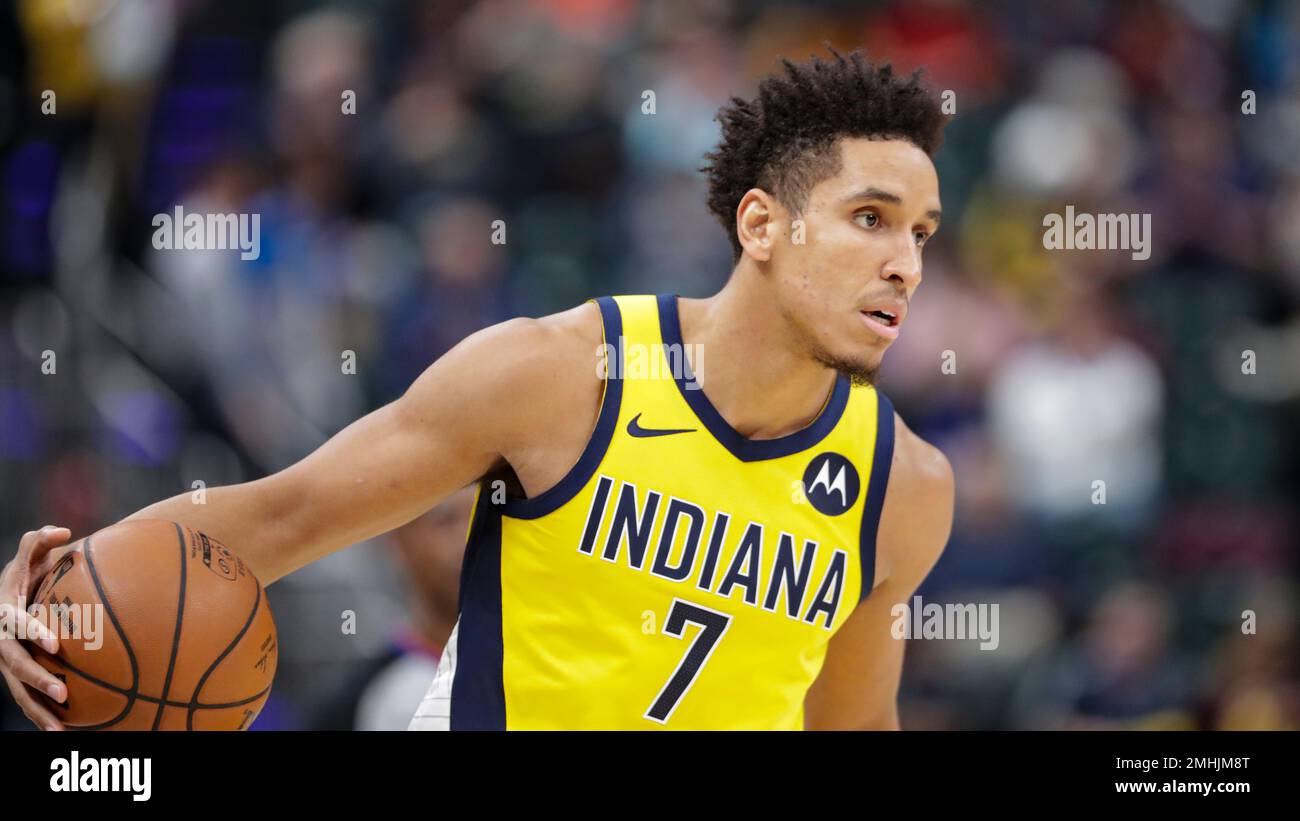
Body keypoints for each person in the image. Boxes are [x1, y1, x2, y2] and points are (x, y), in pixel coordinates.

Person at [1, 49, 954, 730]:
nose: (904, 263)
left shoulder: (903, 485)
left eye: (921, 233)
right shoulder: (557, 374)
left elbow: (855, 722)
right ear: (761, 225)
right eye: (870, 218)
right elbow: (280, 514)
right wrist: (63, 597)